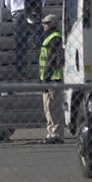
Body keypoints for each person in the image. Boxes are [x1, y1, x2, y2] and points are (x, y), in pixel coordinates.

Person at [4, 0, 45, 81]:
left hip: (18, 14)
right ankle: (43, 68)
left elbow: (7, 3)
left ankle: (22, 72)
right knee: (40, 41)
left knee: (21, 44)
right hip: (34, 13)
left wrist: (14, 10)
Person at [39, 14, 65, 144]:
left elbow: (52, 59)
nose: (44, 25)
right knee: (48, 108)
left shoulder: (55, 39)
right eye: (43, 22)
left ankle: (56, 133)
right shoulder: (49, 38)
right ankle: (51, 133)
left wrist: (46, 77)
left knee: (53, 107)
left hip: (53, 79)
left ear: (54, 24)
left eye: (47, 23)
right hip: (48, 78)